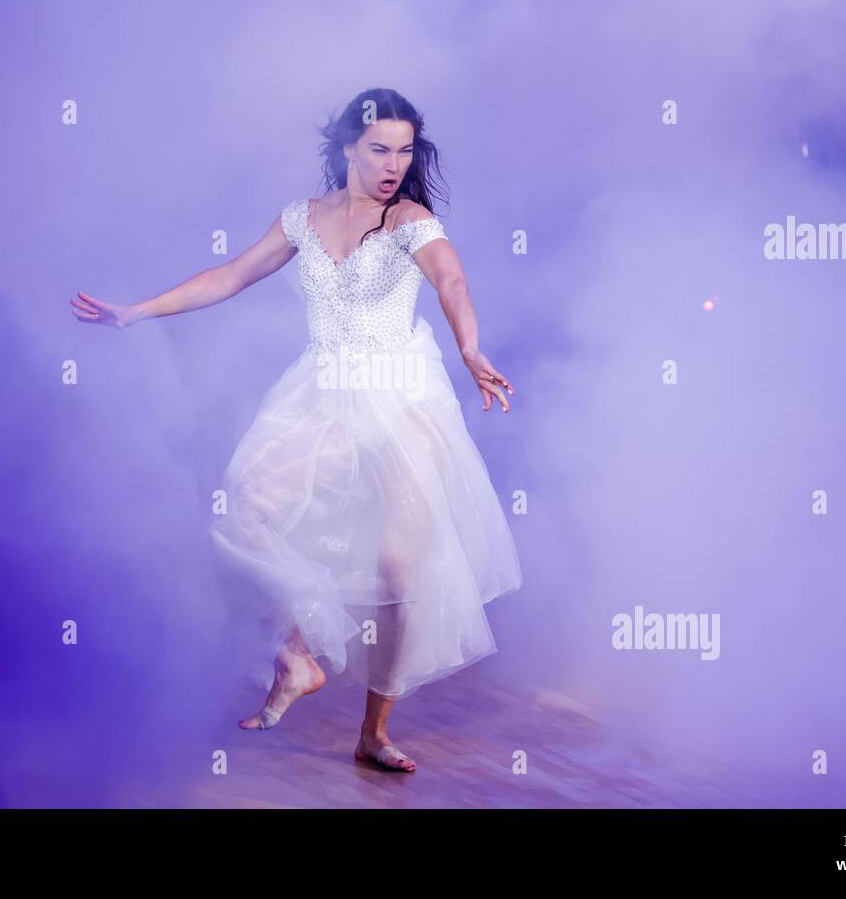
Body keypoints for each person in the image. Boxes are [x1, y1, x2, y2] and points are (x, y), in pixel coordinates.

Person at [70, 88, 522, 772]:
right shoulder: (303, 219)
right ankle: (296, 656)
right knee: (245, 509)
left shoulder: (410, 220)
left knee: (401, 570)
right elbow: (230, 275)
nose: (393, 163)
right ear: (346, 148)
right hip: (325, 392)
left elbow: (452, 282)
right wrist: (139, 311)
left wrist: (469, 347)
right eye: (379, 149)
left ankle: (373, 731)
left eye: (404, 150)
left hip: (403, 399)